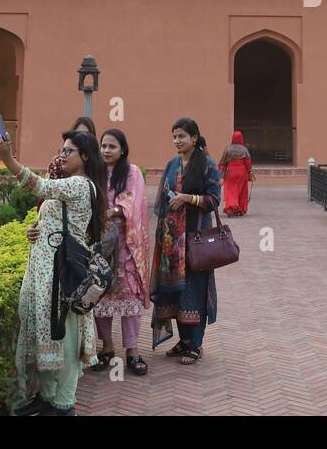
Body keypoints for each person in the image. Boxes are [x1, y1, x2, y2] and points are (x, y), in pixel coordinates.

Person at [0, 128, 107, 416]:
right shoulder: (68, 183)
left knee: (65, 335)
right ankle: (47, 396)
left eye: (68, 150)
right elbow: (53, 217)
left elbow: (38, 186)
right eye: (61, 150)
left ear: (85, 155)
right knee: (49, 332)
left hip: (63, 274)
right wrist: (37, 229)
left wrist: (8, 158)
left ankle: (63, 403)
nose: (61, 155)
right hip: (46, 271)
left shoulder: (81, 185)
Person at [150, 117, 222, 365]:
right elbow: (162, 201)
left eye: (181, 136)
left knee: (195, 290)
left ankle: (196, 344)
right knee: (176, 293)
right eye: (174, 136)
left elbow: (213, 201)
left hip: (195, 241)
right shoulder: (171, 165)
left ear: (194, 138)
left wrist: (187, 198)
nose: (176, 141)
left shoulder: (208, 165)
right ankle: (183, 341)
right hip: (172, 242)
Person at [90, 128, 150, 377]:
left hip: (127, 246)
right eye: (103, 146)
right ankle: (107, 347)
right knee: (100, 294)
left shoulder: (132, 172)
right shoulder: (95, 172)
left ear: (122, 149)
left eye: (111, 146)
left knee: (129, 298)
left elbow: (134, 200)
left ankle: (132, 351)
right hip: (100, 244)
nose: (106, 150)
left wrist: (114, 212)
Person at [219, 130, 254, 216]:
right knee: (242, 191)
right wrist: (250, 172)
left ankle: (232, 207)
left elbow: (223, 162)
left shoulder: (228, 149)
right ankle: (240, 209)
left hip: (231, 171)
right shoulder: (244, 150)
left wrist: (220, 173)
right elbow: (248, 162)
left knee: (231, 190)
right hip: (242, 172)